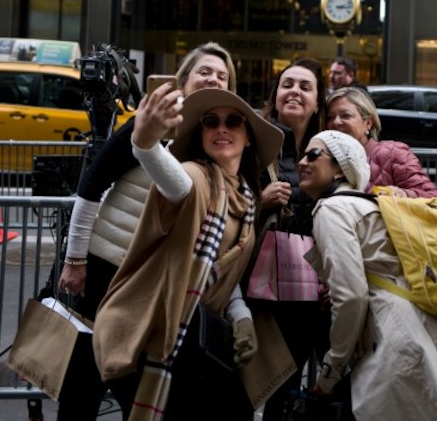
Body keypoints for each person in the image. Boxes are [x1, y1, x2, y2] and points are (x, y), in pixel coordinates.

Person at [55, 43, 236, 421]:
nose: (213, 79)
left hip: (153, 282)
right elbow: (91, 187)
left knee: (138, 390)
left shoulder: (219, 141)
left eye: (222, 76)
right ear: (183, 81)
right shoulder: (147, 122)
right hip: (104, 268)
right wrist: (74, 259)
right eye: (205, 71)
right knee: (81, 386)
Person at [93, 85, 284, 420]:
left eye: (233, 121)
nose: (221, 128)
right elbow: (176, 182)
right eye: (211, 121)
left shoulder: (246, 198)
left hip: (188, 341)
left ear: (249, 137)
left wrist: (240, 316)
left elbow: (222, 267)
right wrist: (146, 144)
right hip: (149, 333)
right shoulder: (198, 177)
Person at [300, 131, 437, 420]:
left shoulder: (332, 209)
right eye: (302, 154)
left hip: (402, 345)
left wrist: (332, 369)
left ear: (341, 168)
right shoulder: (369, 203)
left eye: (313, 154)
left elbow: (351, 296)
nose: (303, 161)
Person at [254, 57, 331, 420]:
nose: (295, 92)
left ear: (317, 101)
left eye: (305, 86)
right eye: (287, 84)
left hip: (314, 291)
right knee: (272, 385)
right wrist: (259, 202)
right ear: (275, 94)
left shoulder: (331, 149)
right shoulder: (255, 142)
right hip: (265, 291)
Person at [326, 86, 437, 198]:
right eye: (330, 117)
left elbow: (434, 198)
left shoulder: (393, 153)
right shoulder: (323, 160)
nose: (335, 122)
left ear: (368, 123)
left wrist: (402, 194)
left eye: (346, 116)